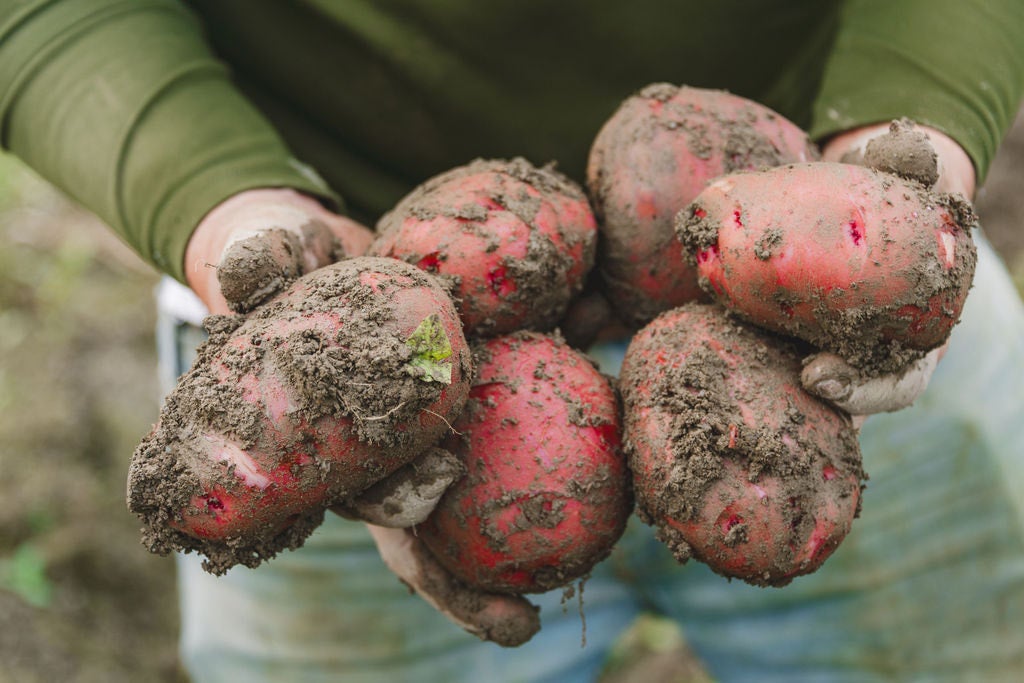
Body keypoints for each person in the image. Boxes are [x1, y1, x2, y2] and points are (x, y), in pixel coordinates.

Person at [3, 1, 1024, 680]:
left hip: (819, 336)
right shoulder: (374, 328)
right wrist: (216, 205)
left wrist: (911, 144)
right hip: (323, 323)